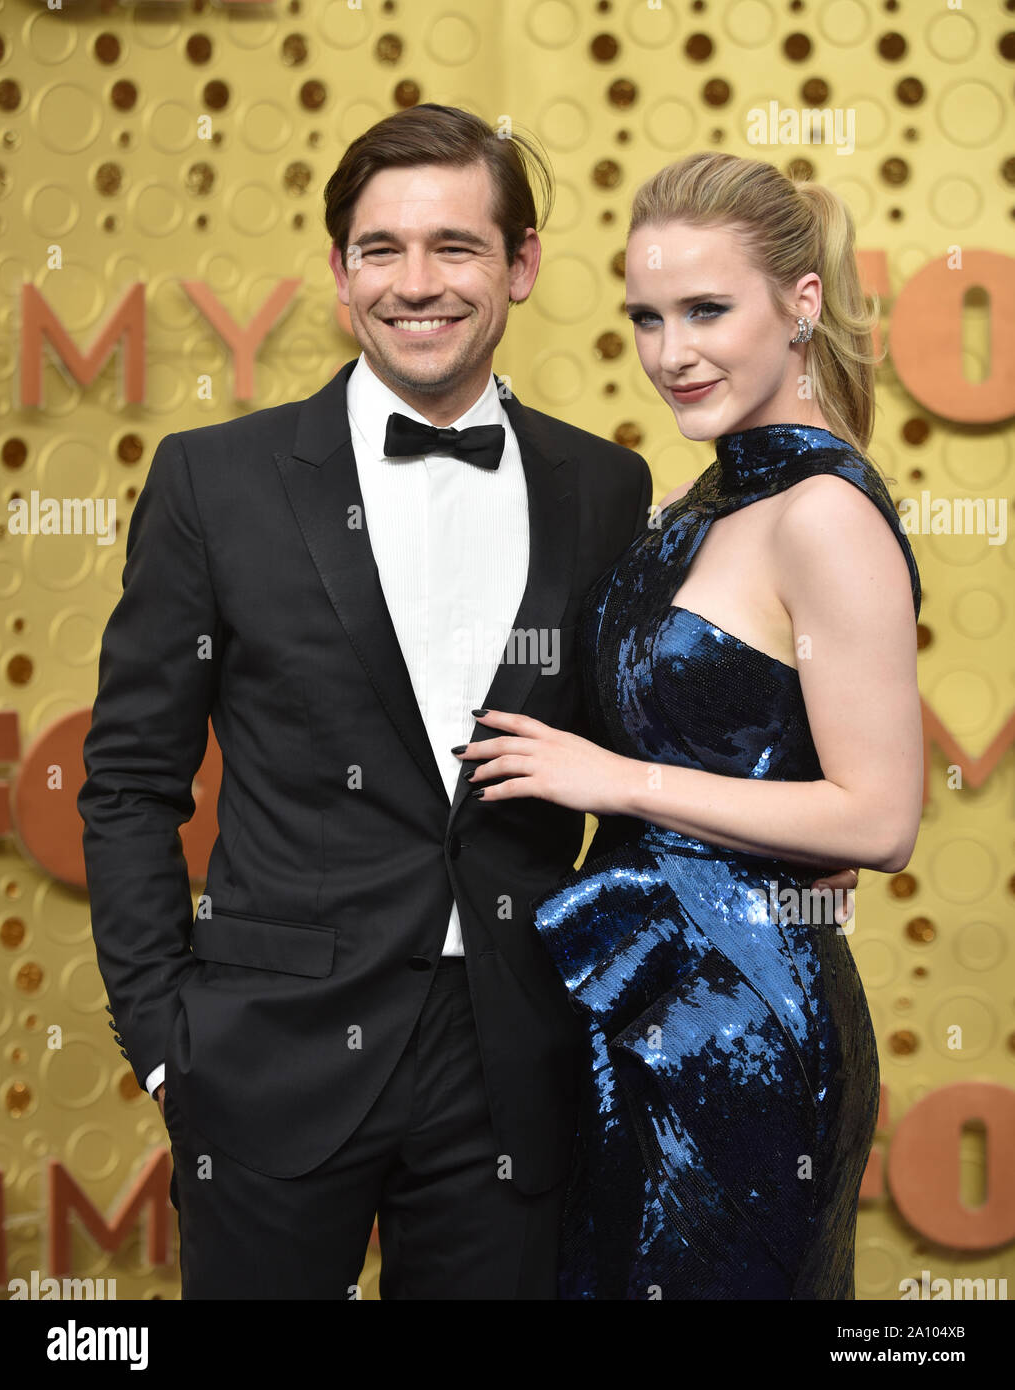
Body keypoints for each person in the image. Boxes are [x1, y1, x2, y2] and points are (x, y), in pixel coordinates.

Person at [78, 109, 857, 1300]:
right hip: (268, 1056)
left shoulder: (606, 483)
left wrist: (772, 829)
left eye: (456, 246)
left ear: (522, 266)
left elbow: (649, 724)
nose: (416, 283)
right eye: (380, 250)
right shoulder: (211, 479)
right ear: (340, 274)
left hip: (522, 1058)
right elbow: (131, 780)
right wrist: (167, 1048)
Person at [453, 152, 922, 1299]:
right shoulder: (703, 503)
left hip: (744, 1026)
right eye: (647, 317)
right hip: (636, 999)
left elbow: (880, 814)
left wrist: (616, 782)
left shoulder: (823, 516)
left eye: (707, 310)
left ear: (799, 304)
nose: (672, 352)